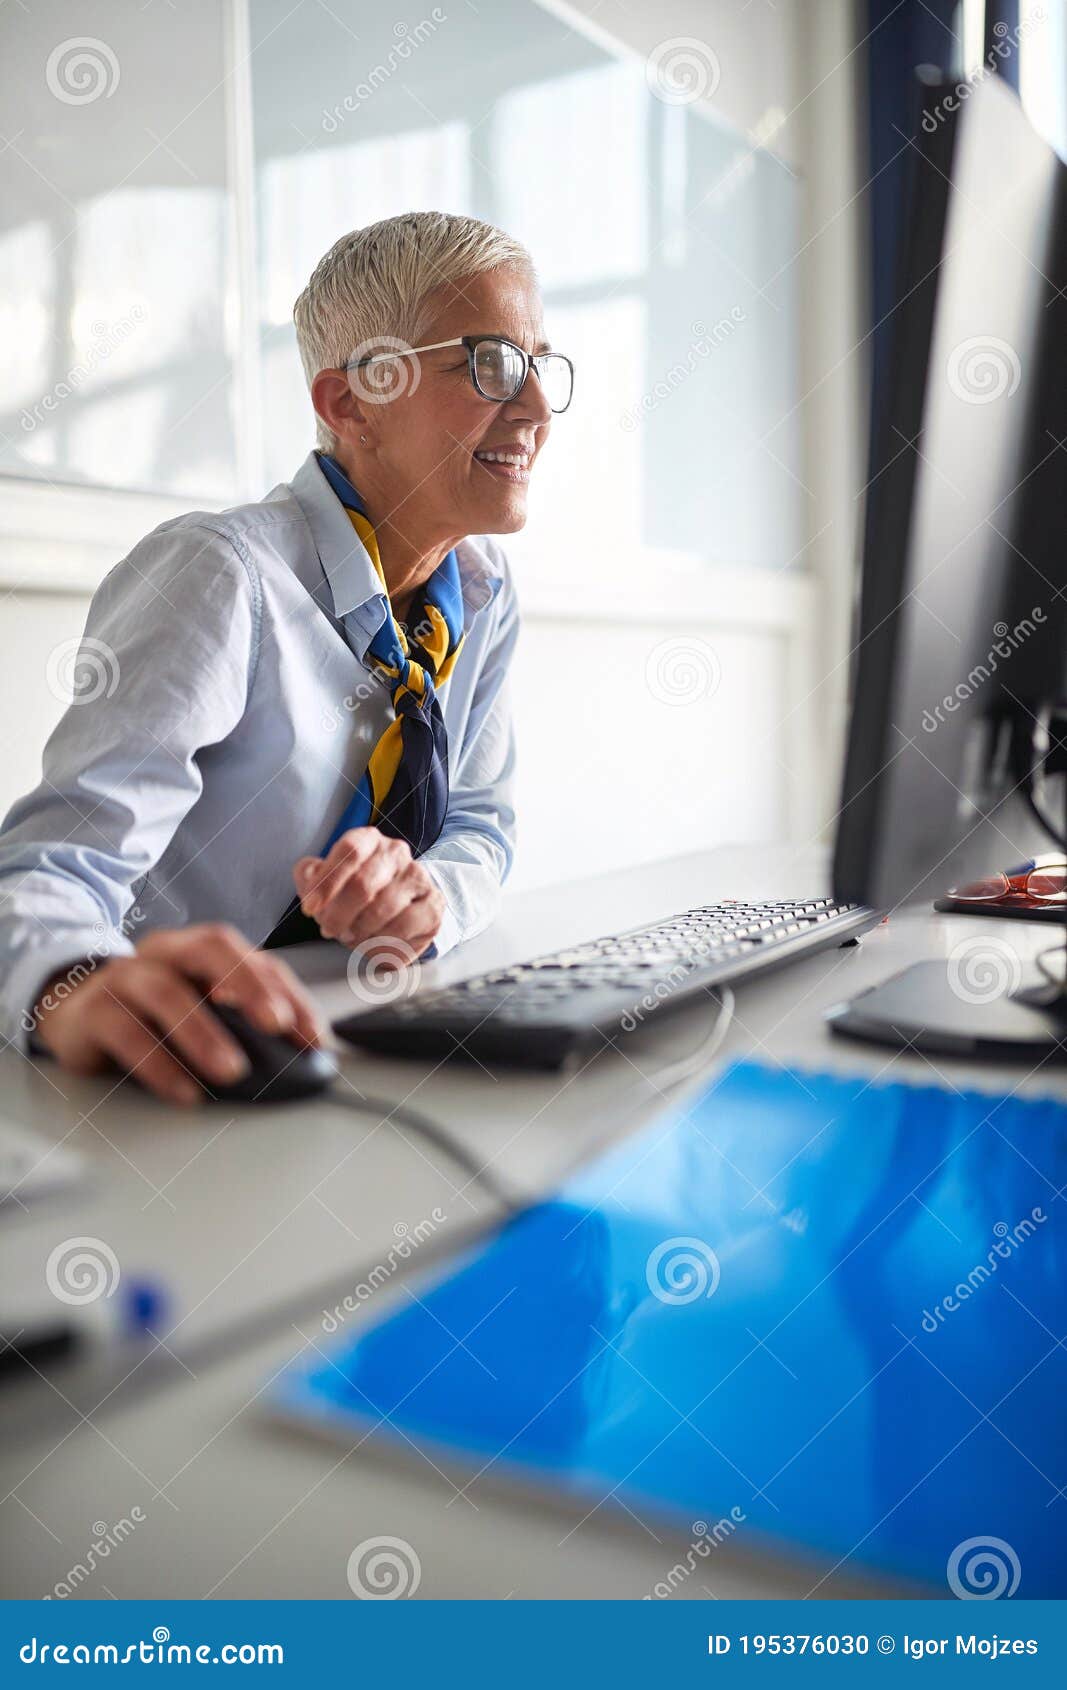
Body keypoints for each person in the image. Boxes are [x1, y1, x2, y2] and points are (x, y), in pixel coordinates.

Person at [0, 212, 573, 1102]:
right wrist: (73, 985)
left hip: (350, 1044)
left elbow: (480, 828)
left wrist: (427, 898)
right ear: (350, 404)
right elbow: (53, 867)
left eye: (539, 364)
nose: (535, 407)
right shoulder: (219, 574)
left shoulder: (480, 588)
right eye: (491, 363)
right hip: (168, 1080)